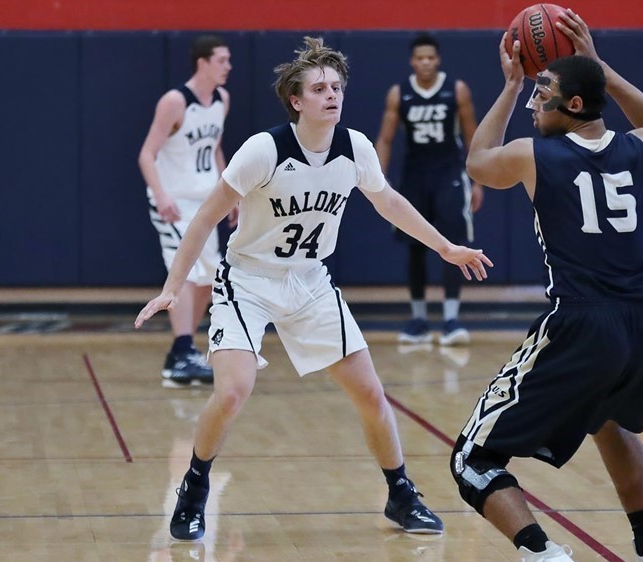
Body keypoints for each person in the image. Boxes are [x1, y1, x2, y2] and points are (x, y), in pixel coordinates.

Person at [134, 36, 492, 542]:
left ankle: (401, 493)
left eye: (337, 86)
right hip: (248, 281)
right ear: (296, 100)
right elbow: (205, 218)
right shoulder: (264, 149)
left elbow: (389, 202)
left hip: (309, 281)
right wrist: (174, 287)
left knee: (370, 392)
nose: (332, 95)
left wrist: (446, 247)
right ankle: (194, 486)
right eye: (319, 87)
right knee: (234, 390)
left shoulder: (355, 147)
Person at [452, 10, 643, 562]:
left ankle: (542, 553)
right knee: (608, 423)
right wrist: (600, 67)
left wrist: (506, 88)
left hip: (582, 321)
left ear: (574, 107)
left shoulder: (536, 155)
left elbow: (478, 161)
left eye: (542, 93)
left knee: (472, 460)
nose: (533, 101)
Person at [376, 33, 485, 346]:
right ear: (412, 62)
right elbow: (385, 138)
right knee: (415, 247)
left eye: (430, 57)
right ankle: (418, 319)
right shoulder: (399, 93)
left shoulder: (457, 89)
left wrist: (478, 180)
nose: (425, 62)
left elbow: (472, 135)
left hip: (449, 174)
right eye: (419, 58)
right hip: (414, 176)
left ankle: (451, 320)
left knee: (453, 245)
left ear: (438, 60)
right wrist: (379, 179)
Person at [138, 35, 235, 387]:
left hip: (205, 200)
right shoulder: (175, 101)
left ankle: (182, 355)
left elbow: (215, 150)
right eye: (222, 60)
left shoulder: (221, 100)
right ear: (203, 63)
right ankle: (183, 351)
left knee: (210, 278)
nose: (228, 66)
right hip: (174, 202)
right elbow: (147, 153)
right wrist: (161, 195)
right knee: (186, 274)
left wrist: (230, 192)